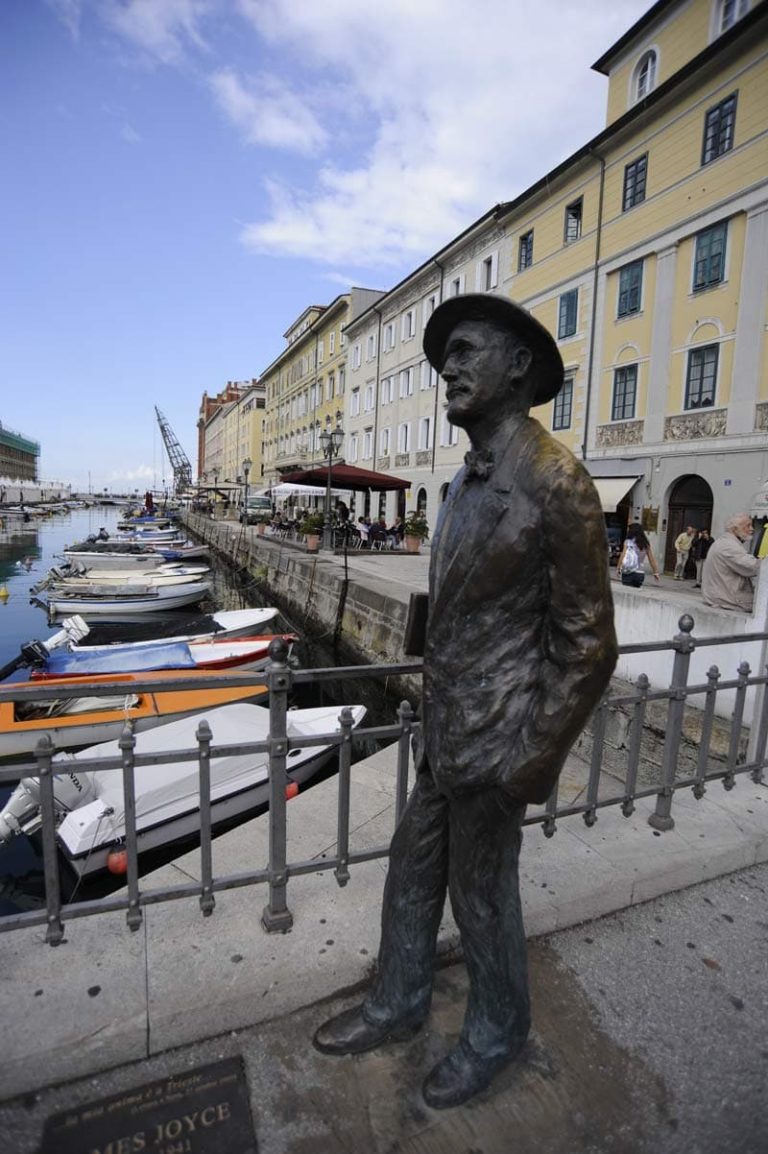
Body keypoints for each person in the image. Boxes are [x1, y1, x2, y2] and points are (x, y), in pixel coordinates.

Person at [313, 294, 618, 1108]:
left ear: (518, 365)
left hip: (503, 735)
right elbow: (462, 602)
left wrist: (535, 754)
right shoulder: (459, 485)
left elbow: (587, 641)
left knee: (481, 896)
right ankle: (398, 1001)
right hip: (446, 729)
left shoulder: (559, 481)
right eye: (445, 353)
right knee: (412, 868)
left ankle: (496, 1033)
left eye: (466, 349)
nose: (448, 366)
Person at [701, 513, 761, 612]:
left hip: (721, 596)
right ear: (735, 529)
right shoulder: (729, 546)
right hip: (727, 599)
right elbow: (753, 567)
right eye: (748, 525)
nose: (752, 529)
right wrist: (764, 562)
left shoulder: (725, 542)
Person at [616, 523, 661, 588]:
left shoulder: (628, 542)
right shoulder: (645, 544)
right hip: (640, 574)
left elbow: (623, 556)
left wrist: (618, 568)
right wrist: (655, 572)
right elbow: (652, 560)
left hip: (628, 572)